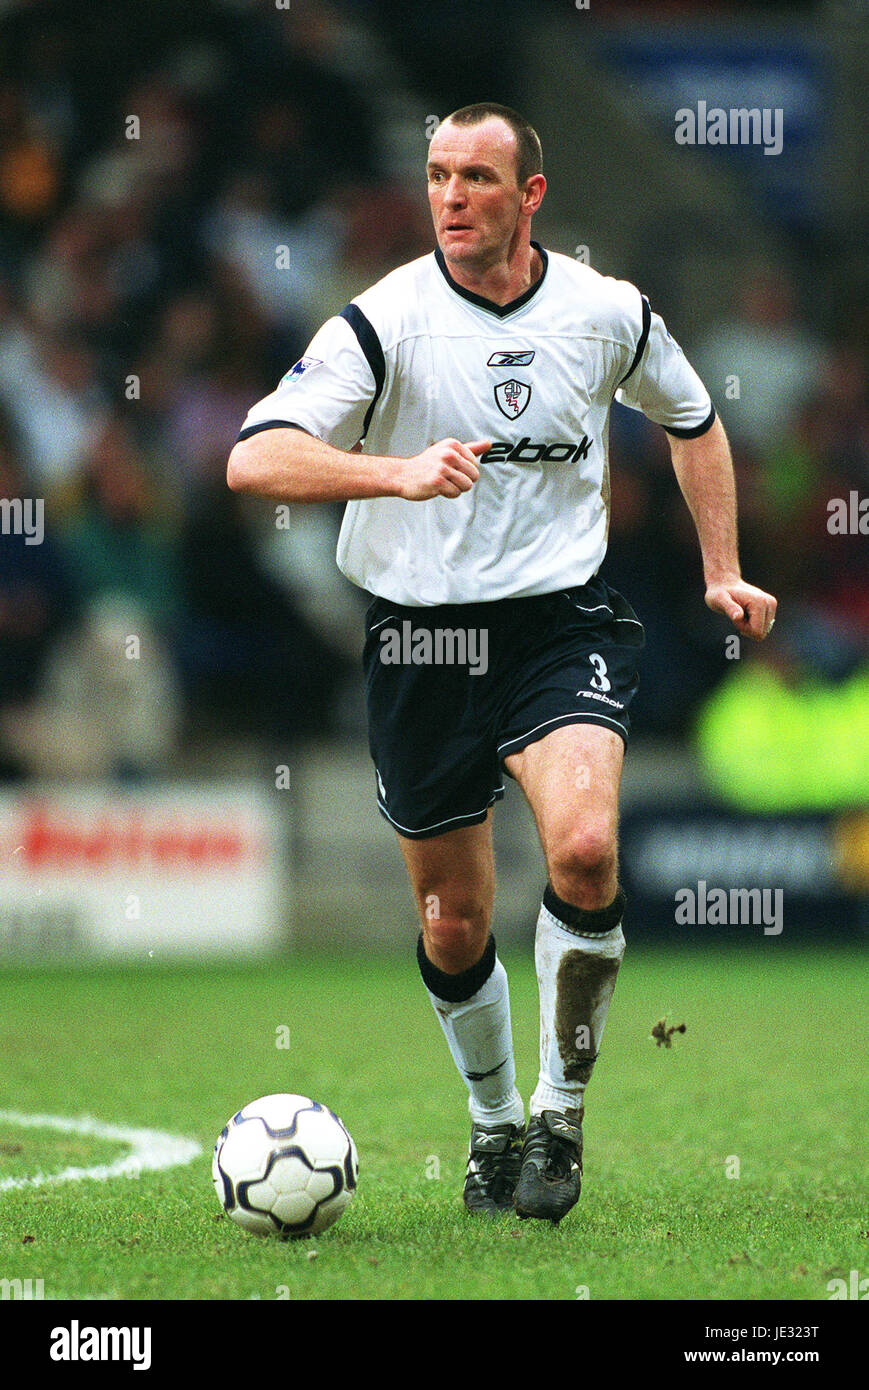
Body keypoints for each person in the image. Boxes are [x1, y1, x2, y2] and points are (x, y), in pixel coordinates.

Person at [227, 104, 778, 1224]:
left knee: (583, 849)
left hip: (557, 622)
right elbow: (254, 457)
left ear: (530, 194)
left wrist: (720, 566)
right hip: (421, 637)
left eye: (476, 176)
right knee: (452, 921)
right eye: (437, 174)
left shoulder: (604, 312)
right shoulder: (384, 320)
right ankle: (491, 1125)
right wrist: (393, 473)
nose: (450, 196)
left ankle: (558, 1114)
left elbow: (692, 418)